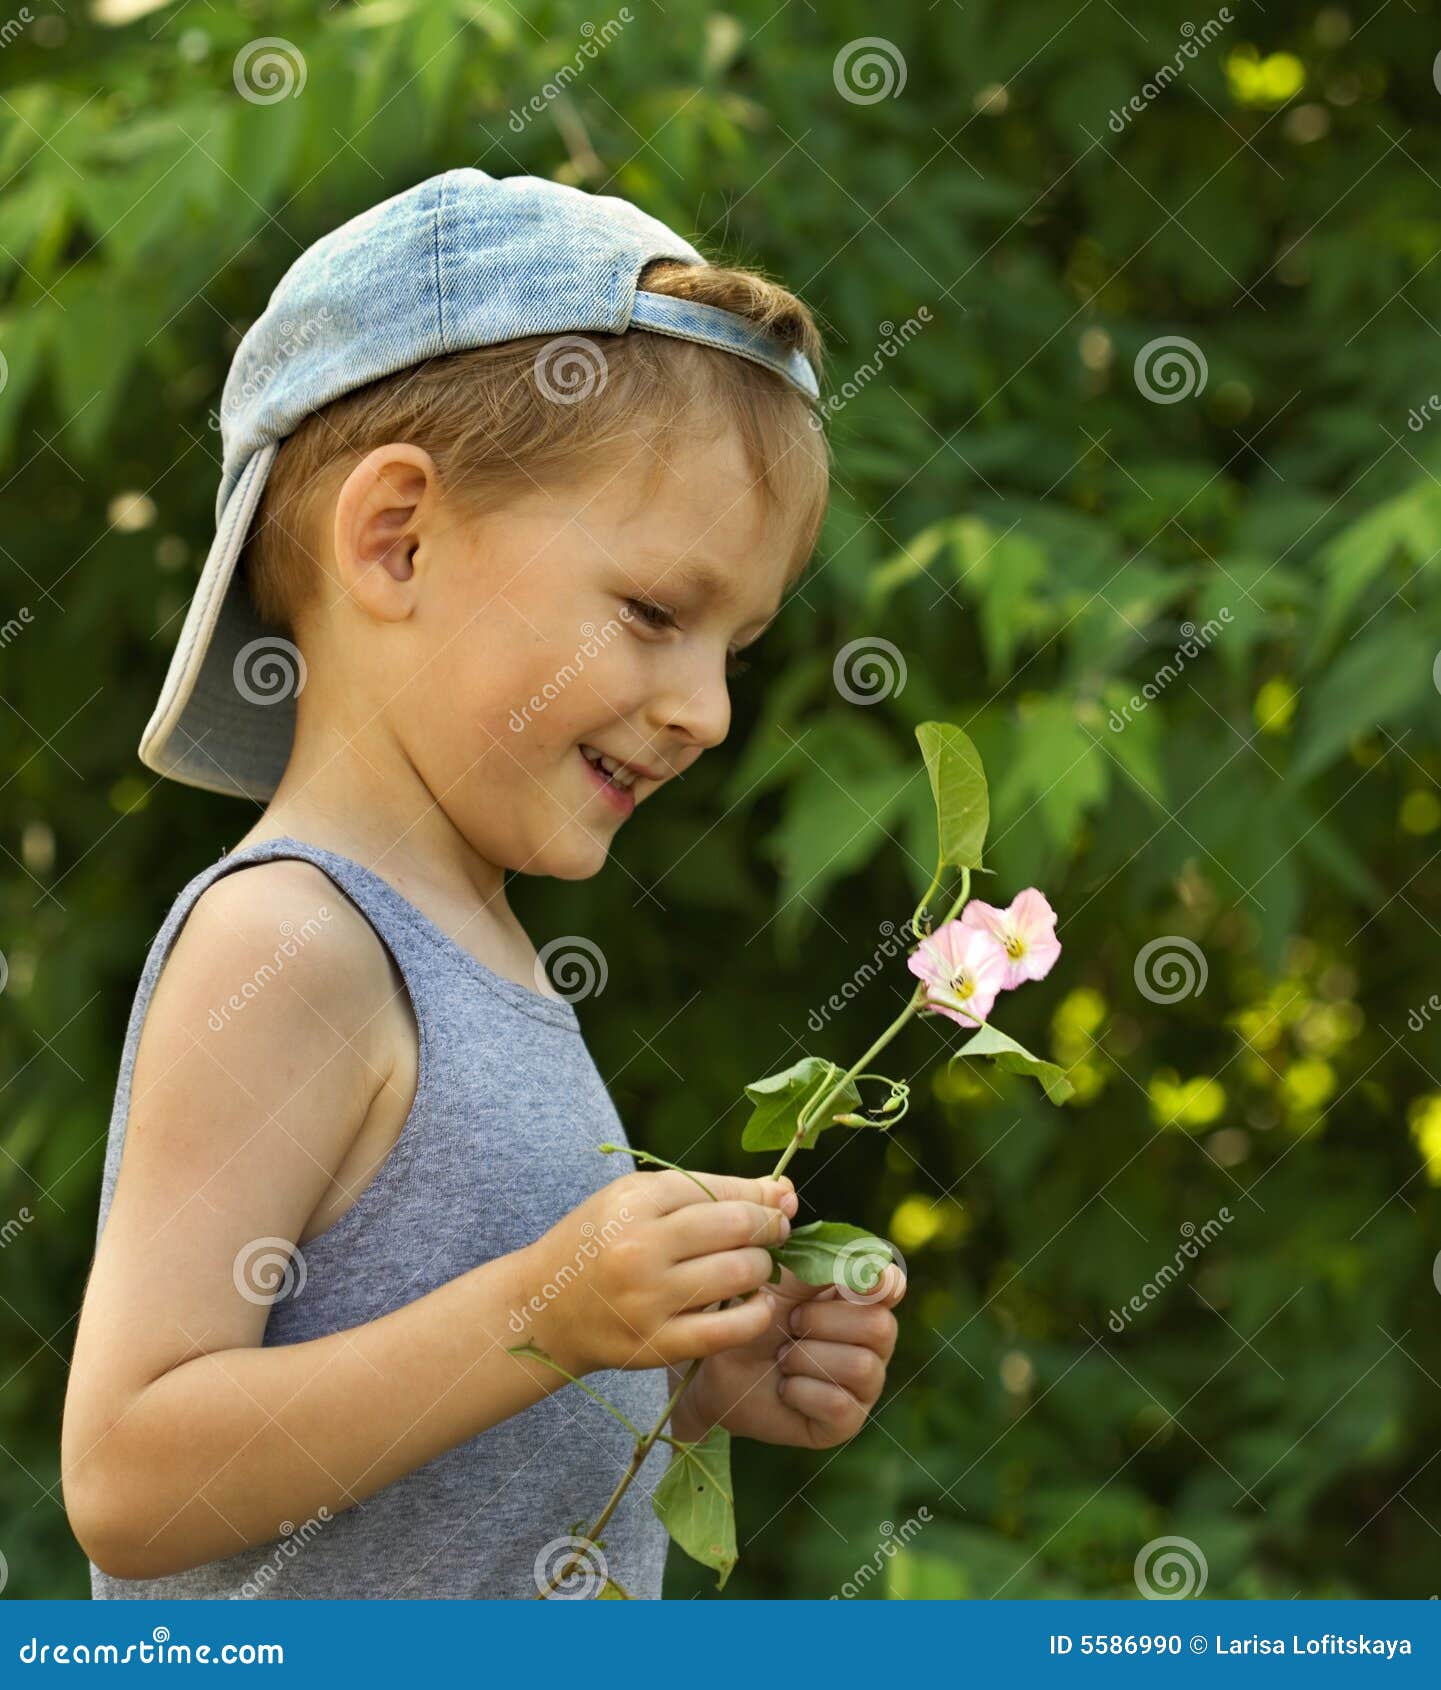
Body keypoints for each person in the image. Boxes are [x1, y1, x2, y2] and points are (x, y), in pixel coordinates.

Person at [60, 168, 906, 1600]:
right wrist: (545, 1316)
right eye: (654, 610)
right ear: (396, 537)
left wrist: (673, 1377)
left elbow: (439, 1429)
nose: (706, 710)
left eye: (735, 649)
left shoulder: (485, 957)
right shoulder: (288, 941)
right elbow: (130, 1479)